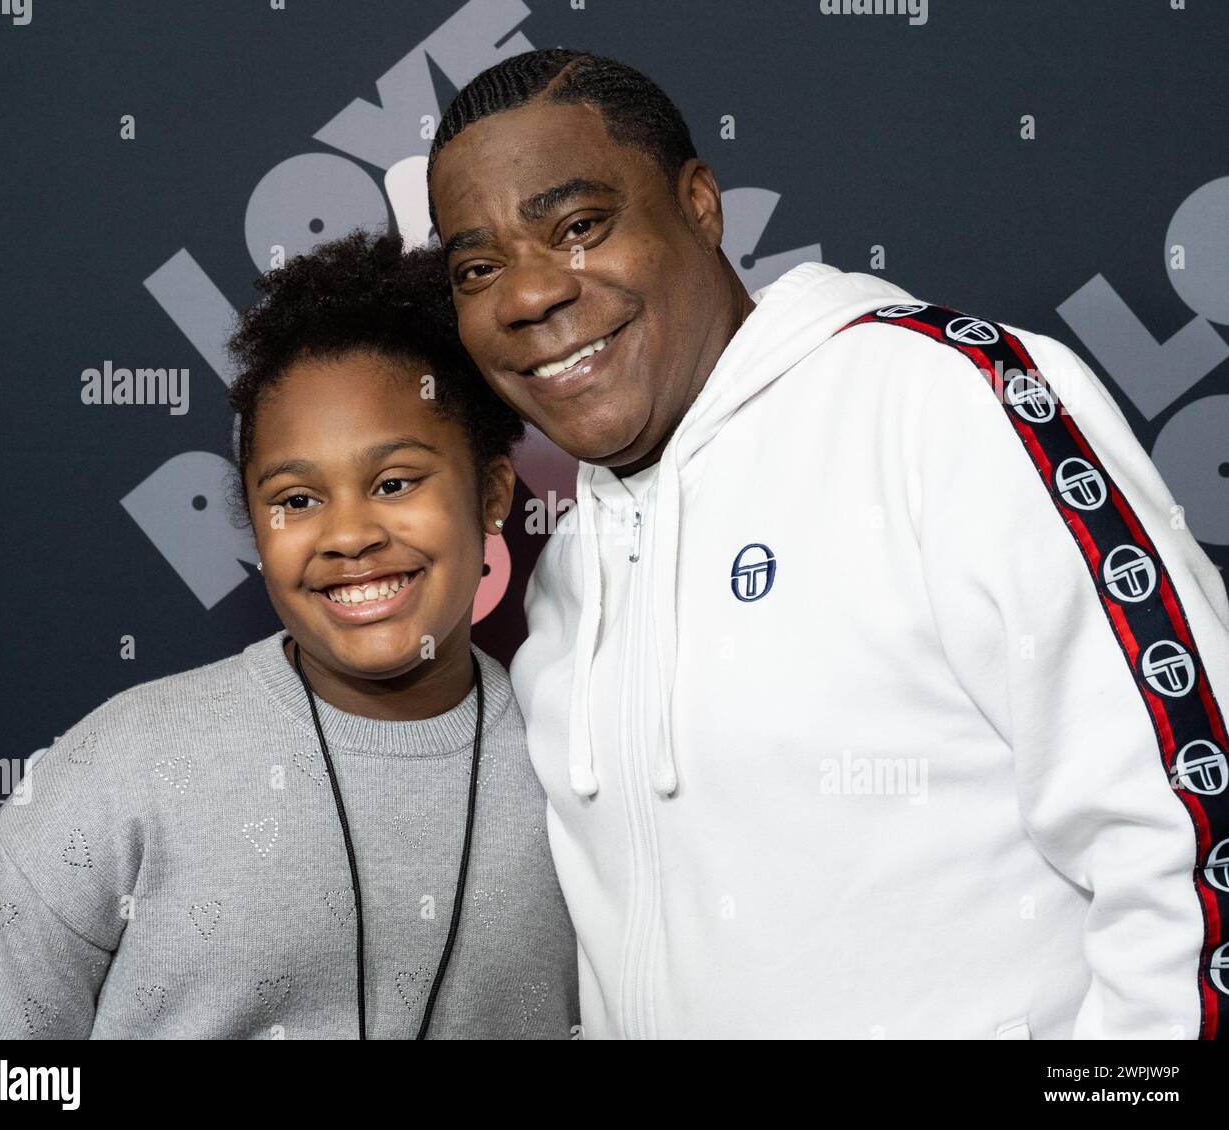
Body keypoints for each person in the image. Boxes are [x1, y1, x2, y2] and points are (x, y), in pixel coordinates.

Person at [425, 48, 1229, 1039]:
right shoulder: (570, 584)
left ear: (699, 204)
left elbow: (1194, 831)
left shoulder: (943, 406)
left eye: (580, 227)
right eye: (477, 268)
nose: (528, 295)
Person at [0, 229, 579, 1040]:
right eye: (297, 499)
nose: (348, 534)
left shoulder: (575, 766)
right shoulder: (121, 766)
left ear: (490, 494)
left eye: (393, 482)